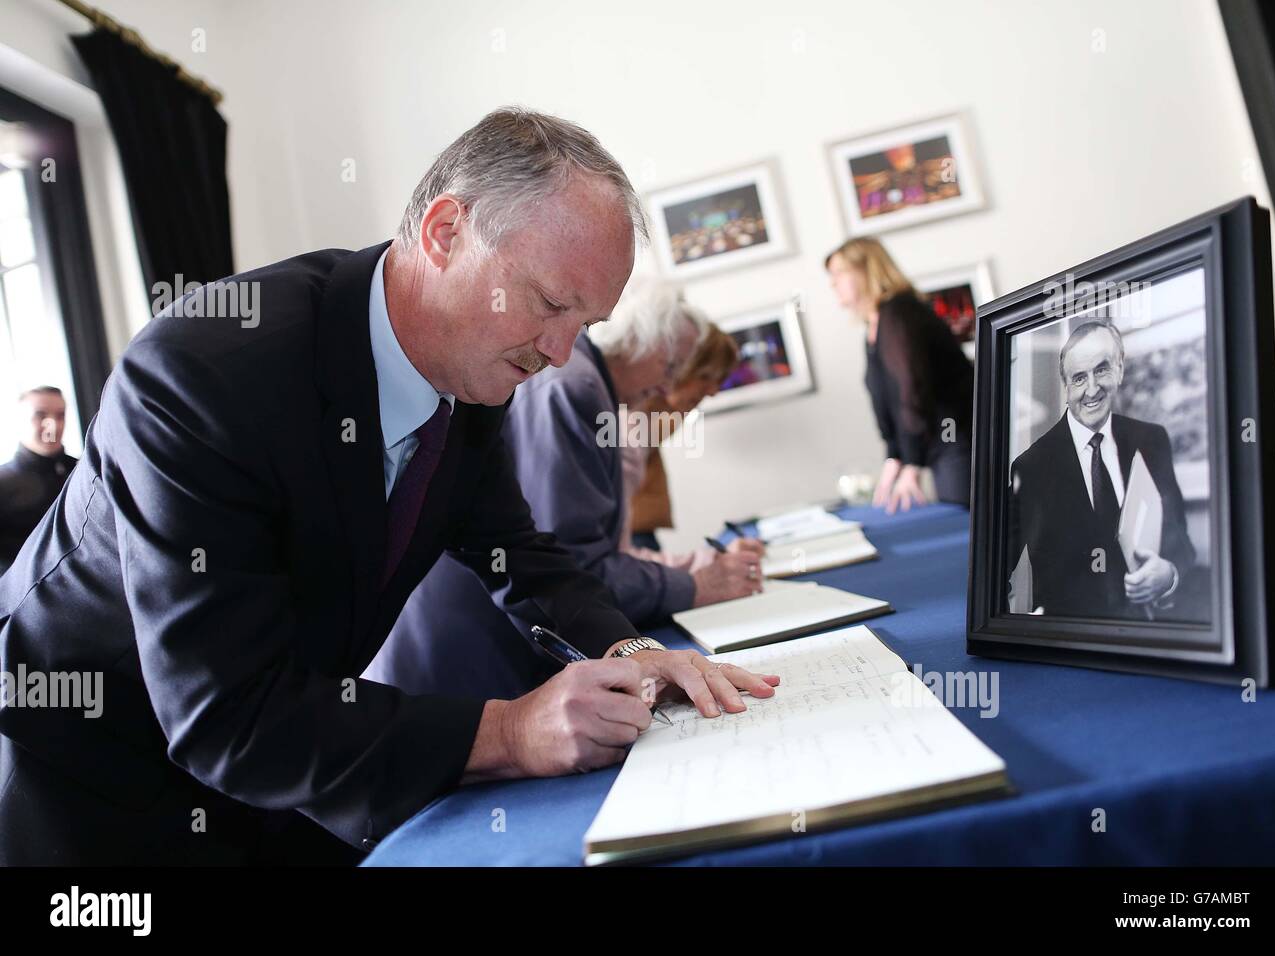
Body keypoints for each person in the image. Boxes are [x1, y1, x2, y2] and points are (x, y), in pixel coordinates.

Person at [0, 107, 778, 866]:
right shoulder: (201, 377)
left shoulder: (474, 370)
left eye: (587, 323)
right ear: (446, 233)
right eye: (549, 303)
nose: (559, 351)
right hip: (87, 780)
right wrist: (509, 732)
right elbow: (224, 716)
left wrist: (634, 647)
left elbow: (517, 554)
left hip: (289, 765)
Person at [365, 279, 764, 700]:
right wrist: (695, 585)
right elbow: (577, 558)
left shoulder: (589, 384)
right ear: (641, 342)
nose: (668, 390)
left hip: (491, 630)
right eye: (669, 369)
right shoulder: (575, 385)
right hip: (470, 651)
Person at [1007, 321, 1195, 619]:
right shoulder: (1031, 467)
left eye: (1102, 370)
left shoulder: (1152, 440)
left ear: (1119, 370)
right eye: (1079, 378)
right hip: (1074, 641)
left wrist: (1169, 575)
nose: (1092, 389)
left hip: (1153, 630)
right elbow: (1000, 570)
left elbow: (1180, 542)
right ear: (1066, 386)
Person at [826, 237, 975, 510]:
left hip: (955, 434)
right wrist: (895, 456)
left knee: (967, 520)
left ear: (865, 270)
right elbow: (887, 399)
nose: (832, 283)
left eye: (838, 273)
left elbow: (912, 389)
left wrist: (913, 462)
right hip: (939, 439)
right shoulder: (876, 325)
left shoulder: (899, 314)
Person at [622, 322, 740, 552]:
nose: (713, 392)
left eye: (719, 381)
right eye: (707, 377)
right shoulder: (633, 401)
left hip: (640, 525)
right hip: (628, 529)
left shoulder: (666, 407)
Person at [0, 387, 78, 574]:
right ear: (17, 421)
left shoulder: (84, 471)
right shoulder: (3, 484)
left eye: (60, 416)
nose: (53, 425)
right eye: (40, 415)